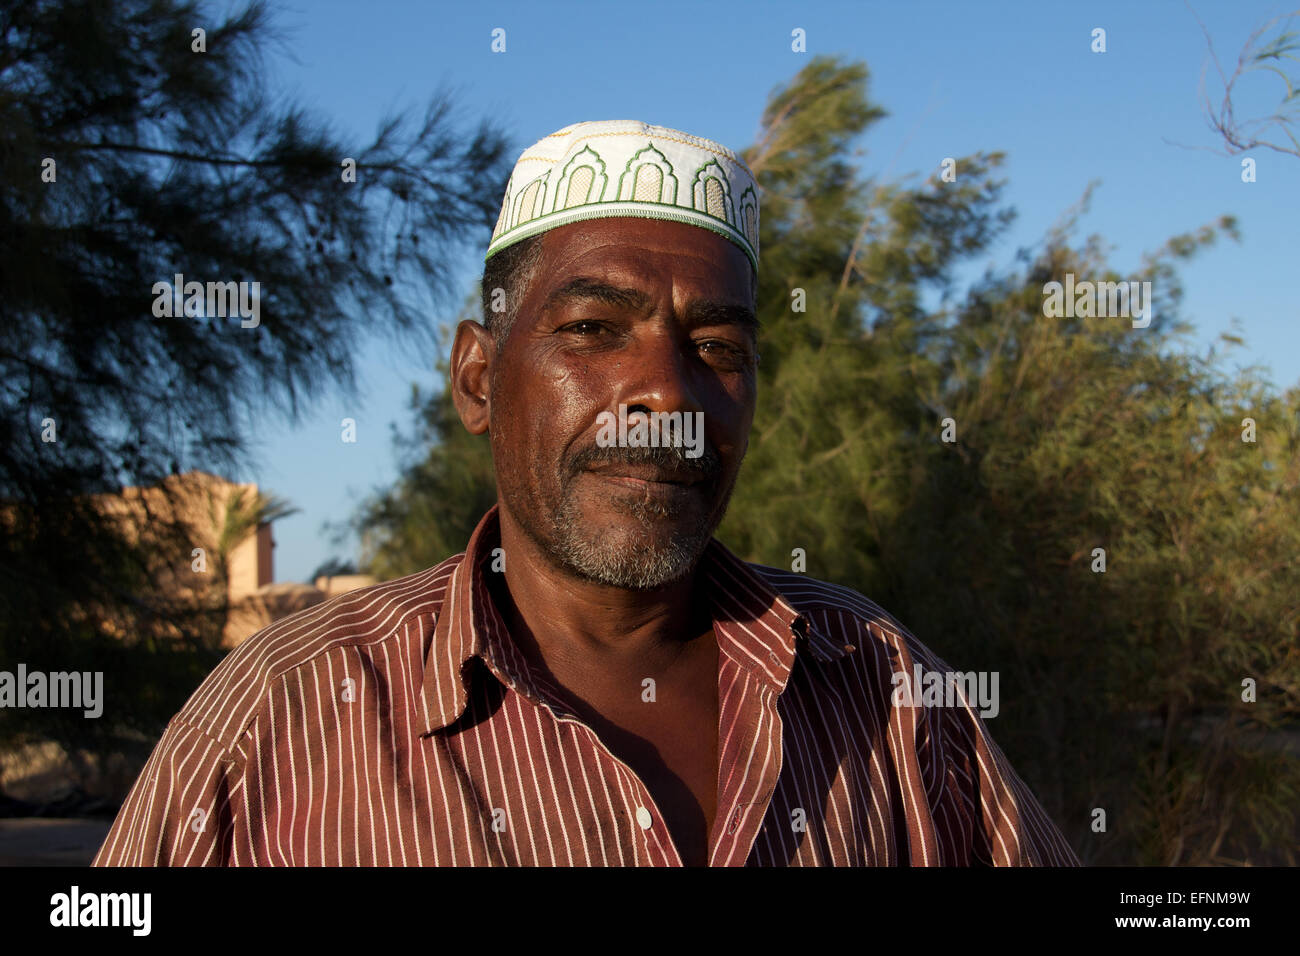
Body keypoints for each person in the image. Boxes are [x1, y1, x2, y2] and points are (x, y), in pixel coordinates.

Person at [93, 120, 1079, 867]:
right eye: (595, 327)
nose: (666, 388)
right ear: (479, 378)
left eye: (718, 347)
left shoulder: (882, 685)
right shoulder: (279, 716)